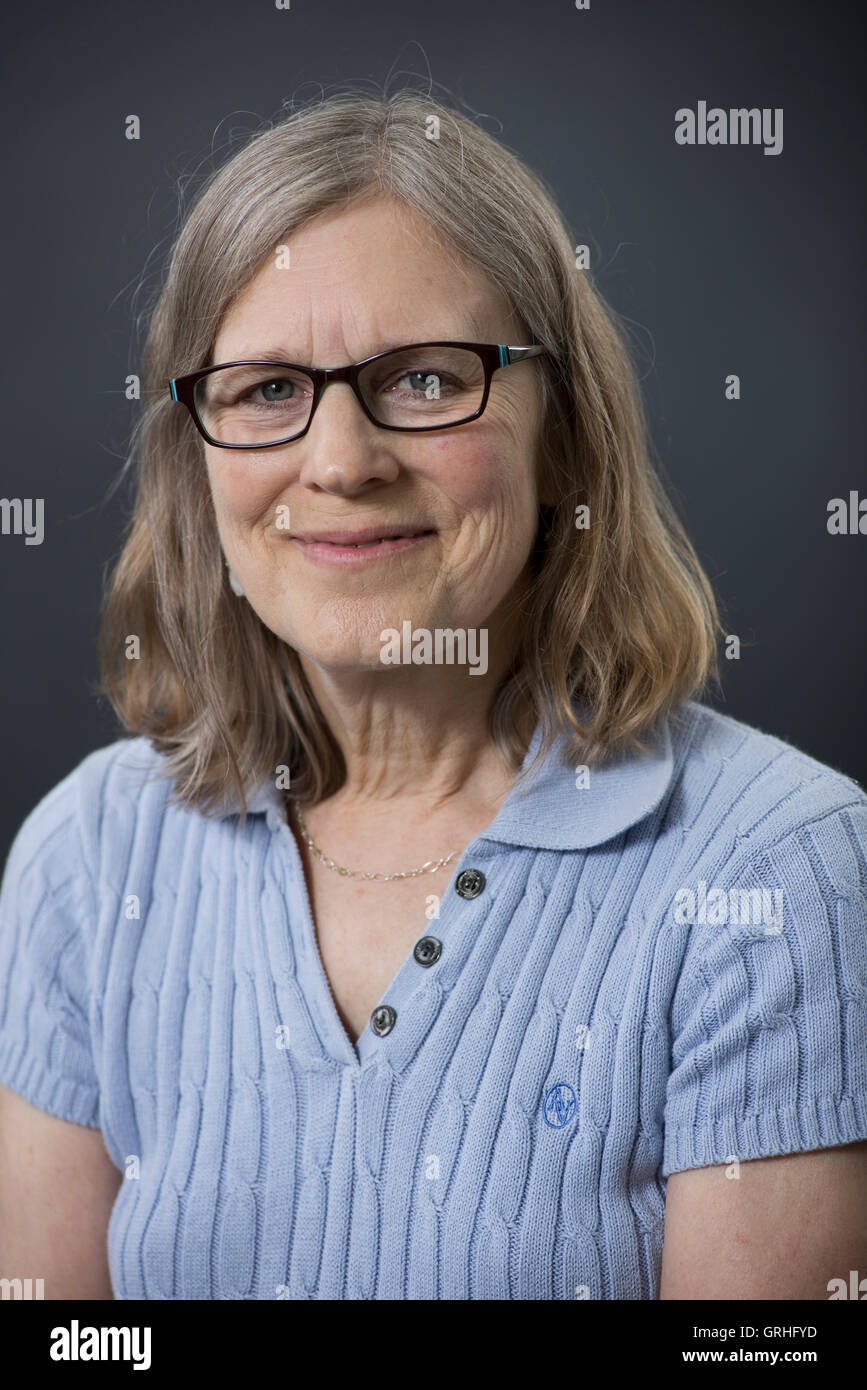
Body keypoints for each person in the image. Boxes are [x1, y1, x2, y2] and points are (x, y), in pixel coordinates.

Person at [1, 88, 865, 1301]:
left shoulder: (780, 872)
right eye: (264, 390)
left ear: (561, 433)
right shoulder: (89, 861)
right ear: (195, 463)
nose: (343, 461)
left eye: (420, 379)